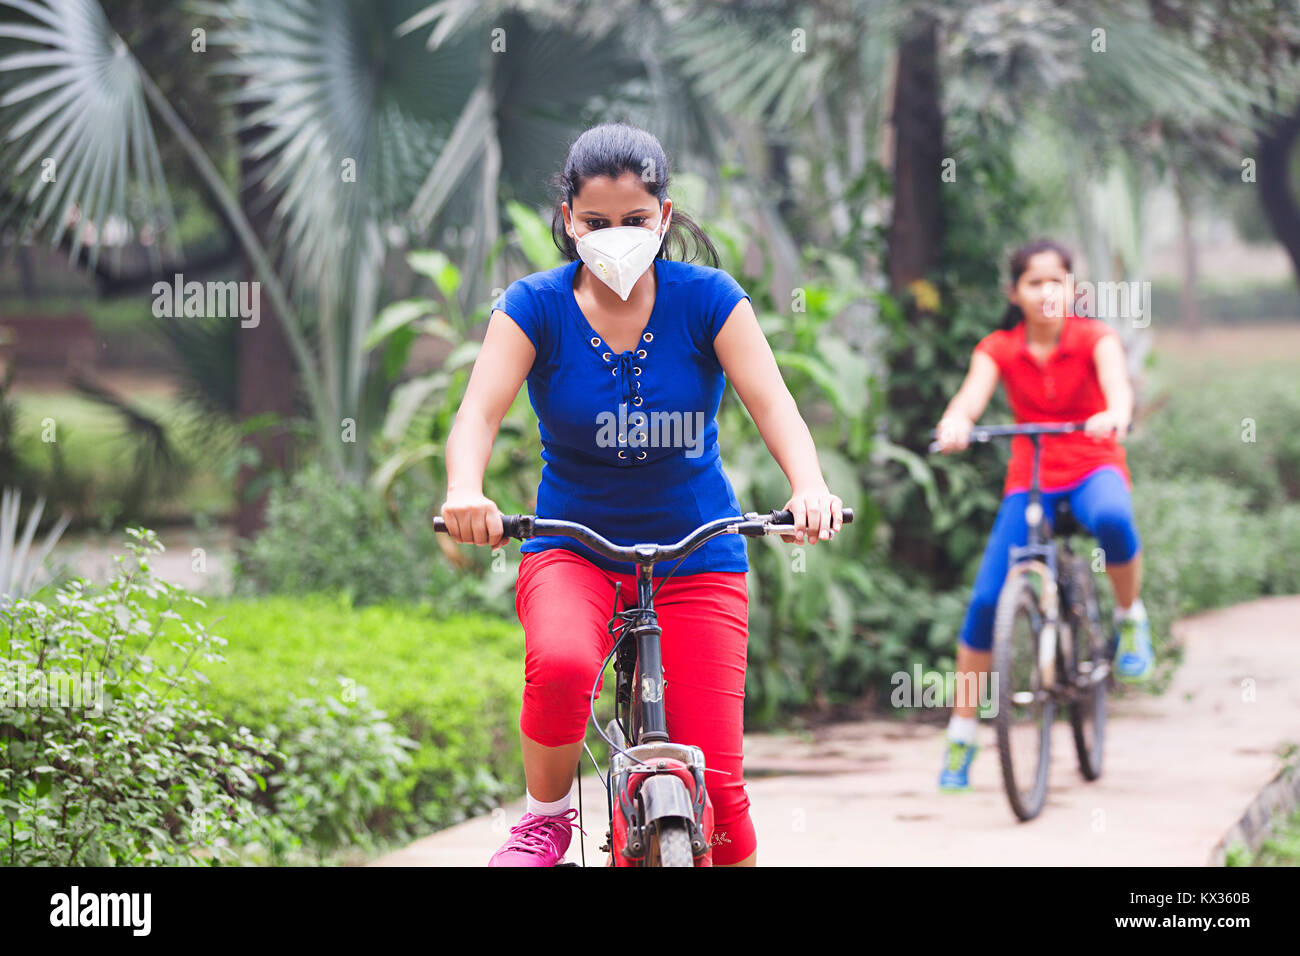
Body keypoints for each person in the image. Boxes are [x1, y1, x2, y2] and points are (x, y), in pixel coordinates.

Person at [439, 122, 846, 865]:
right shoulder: (535, 305)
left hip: (699, 554)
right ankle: (544, 819)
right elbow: (478, 413)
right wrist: (466, 489)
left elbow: (775, 404)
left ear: (664, 215)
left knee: (720, 801)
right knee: (560, 663)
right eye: (595, 222)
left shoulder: (709, 299)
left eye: (635, 220)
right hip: (574, 547)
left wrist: (809, 486)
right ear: (568, 219)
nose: (615, 236)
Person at [932, 238, 1152, 793]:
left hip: (1092, 463)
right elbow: (969, 399)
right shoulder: (999, 347)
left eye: (1057, 281)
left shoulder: (1094, 338)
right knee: (985, 602)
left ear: (1073, 289)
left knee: (1113, 521)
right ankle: (962, 736)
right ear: (1015, 292)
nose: (1047, 292)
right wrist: (956, 423)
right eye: (1035, 282)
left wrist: (1115, 415)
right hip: (1031, 477)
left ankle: (1131, 619)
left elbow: (1119, 391)